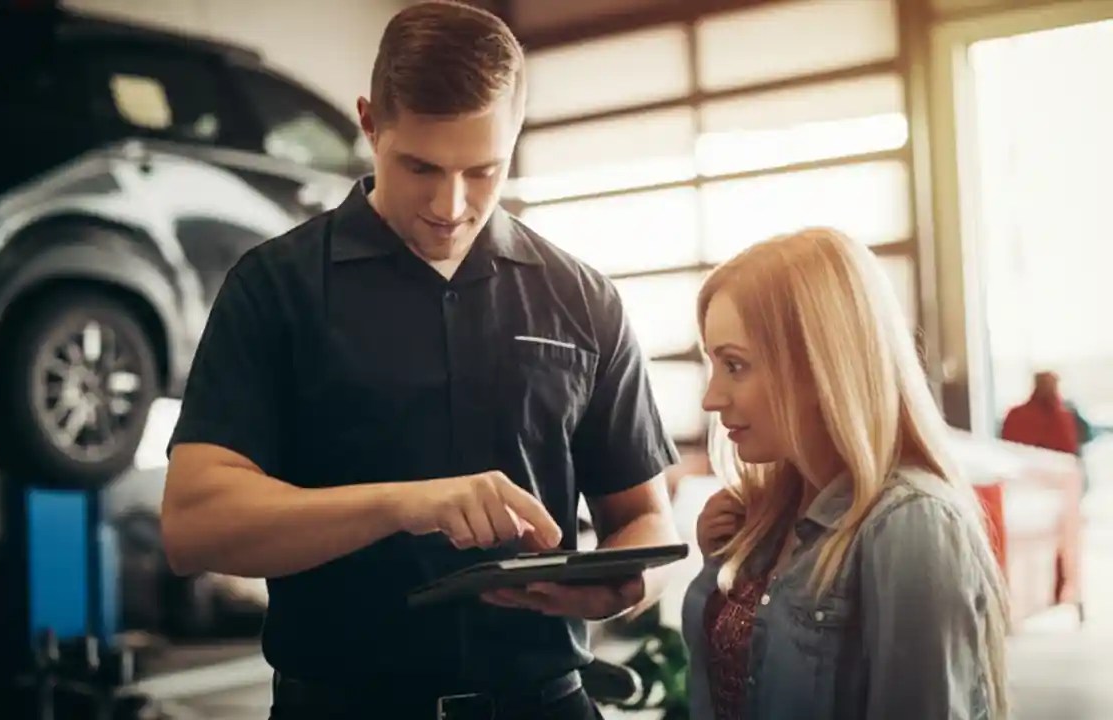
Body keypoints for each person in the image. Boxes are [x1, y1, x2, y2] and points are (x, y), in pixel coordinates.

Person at [160, 3, 681, 718]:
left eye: (482, 171)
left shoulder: (582, 298)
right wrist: (405, 503)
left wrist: (627, 588)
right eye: (421, 167)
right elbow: (193, 526)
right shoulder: (274, 288)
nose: (451, 204)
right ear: (369, 122)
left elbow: (648, 521)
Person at [684, 228, 1010, 720]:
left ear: (818, 365)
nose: (711, 398)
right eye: (713, 364)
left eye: (735, 365)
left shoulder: (909, 526)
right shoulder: (761, 519)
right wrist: (725, 562)